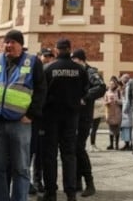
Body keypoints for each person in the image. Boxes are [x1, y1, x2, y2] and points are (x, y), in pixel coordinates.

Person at [0, 29, 46, 201]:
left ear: (21, 45)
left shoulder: (33, 62)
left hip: (20, 122)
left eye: (13, 42)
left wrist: (32, 114)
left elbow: (41, 90)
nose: (9, 45)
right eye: (7, 42)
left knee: (21, 169)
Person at [40, 38, 89, 201]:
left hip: (51, 117)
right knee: (69, 155)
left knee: (50, 155)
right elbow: (84, 91)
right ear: (70, 49)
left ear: (56, 49)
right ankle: (70, 193)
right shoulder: (80, 70)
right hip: (71, 117)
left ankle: (51, 193)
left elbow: (42, 93)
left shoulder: (48, 68)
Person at [70, 48, 106, 197]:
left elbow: (101, 87)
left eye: (75, 61)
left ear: (81, 60)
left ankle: (89, 183)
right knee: (73, 149)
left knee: (78, 148)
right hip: (73, 116)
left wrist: (85, 97)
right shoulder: (76, 72)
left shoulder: (90, 72)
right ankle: (77, 182)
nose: (73, 64)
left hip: (84, 117)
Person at [31, 48, 55, 194]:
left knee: (40, 152)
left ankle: (37, 180)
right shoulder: (34, 71)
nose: (48, 59)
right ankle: (32, 180)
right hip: (33, 116)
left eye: (50, 57)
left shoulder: (48, 72)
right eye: (46, 56)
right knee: (30, 152)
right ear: (39, 56)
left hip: (44, 118)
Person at [104, 77, 122, 150]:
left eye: (113, 84)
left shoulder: (118, 92)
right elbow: (104, 101)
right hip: (110, 112)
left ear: (115, 84)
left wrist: (117, 101)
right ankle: (111, 144)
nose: (111, 85)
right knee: (111, 129)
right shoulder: (107, 92)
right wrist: (107, 103)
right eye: (110, 84)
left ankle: (116, 145)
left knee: (117, 129)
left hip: (117, 112)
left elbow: (122, 101)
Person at [119, 74, 133, 151]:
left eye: (122, 79)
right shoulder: (127, 86)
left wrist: (124, 109)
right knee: (127, 128)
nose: (121, 81)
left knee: (127, 128)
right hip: (127, 110)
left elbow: (127, 100)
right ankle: (127, 144)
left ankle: (128, 144)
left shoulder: (128, 87)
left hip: (127, 111)